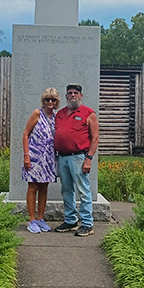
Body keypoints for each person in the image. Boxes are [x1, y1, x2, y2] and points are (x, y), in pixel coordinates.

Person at [54, 83, 99, 237]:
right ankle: (70, 220)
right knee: (66, 190)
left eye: (76, 93)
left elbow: (95, 138)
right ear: (66, 96)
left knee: (83, 191)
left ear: (81, 95)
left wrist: (89, 159)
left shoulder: (89, 113)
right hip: (62, 158)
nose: (73, 95)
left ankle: (87, 223)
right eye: (70, 93)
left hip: (79, 157)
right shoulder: (60, 114)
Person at [22, 87, 60, 233]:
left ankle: (41, 218)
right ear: (43, 101)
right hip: (34, 156)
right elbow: (26, 134)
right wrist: (26, 155)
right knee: (33, 187)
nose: (50, 102)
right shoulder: (37, 113)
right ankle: (31, 220)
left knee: (44, 187)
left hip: (49, 158)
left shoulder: (56, 117)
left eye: (53, 100)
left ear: (57, 102)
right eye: (47, 99)